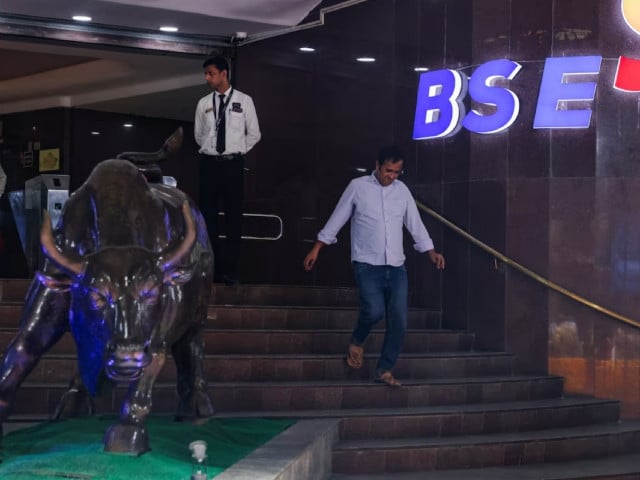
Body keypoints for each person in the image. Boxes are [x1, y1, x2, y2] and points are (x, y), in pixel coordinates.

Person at [303, 146, 445, 387]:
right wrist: (318, 247)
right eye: (388, 170)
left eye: (397, 172)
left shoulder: (402, 191)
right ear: (377, 166)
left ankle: (384, 369)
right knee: (374, 311)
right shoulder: (358, 187)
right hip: (367, 264)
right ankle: (358, 340)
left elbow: (415, 223)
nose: (392, 176)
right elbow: (338, 217)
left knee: (399, 321)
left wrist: (430, 251)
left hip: (397, 266)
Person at [194, 55, 261, 286]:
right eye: (206, 74)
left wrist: (237, 150)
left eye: (211, 73)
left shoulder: (244, 101)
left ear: (224, 73)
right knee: (208, 219)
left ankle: (232, 271)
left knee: (234, 219)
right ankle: (213, 271)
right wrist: (212, 150)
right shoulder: (204, 103)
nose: (207, 78)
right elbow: (198, 134)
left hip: (233, 164)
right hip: (210, 163)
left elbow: (254, 134)